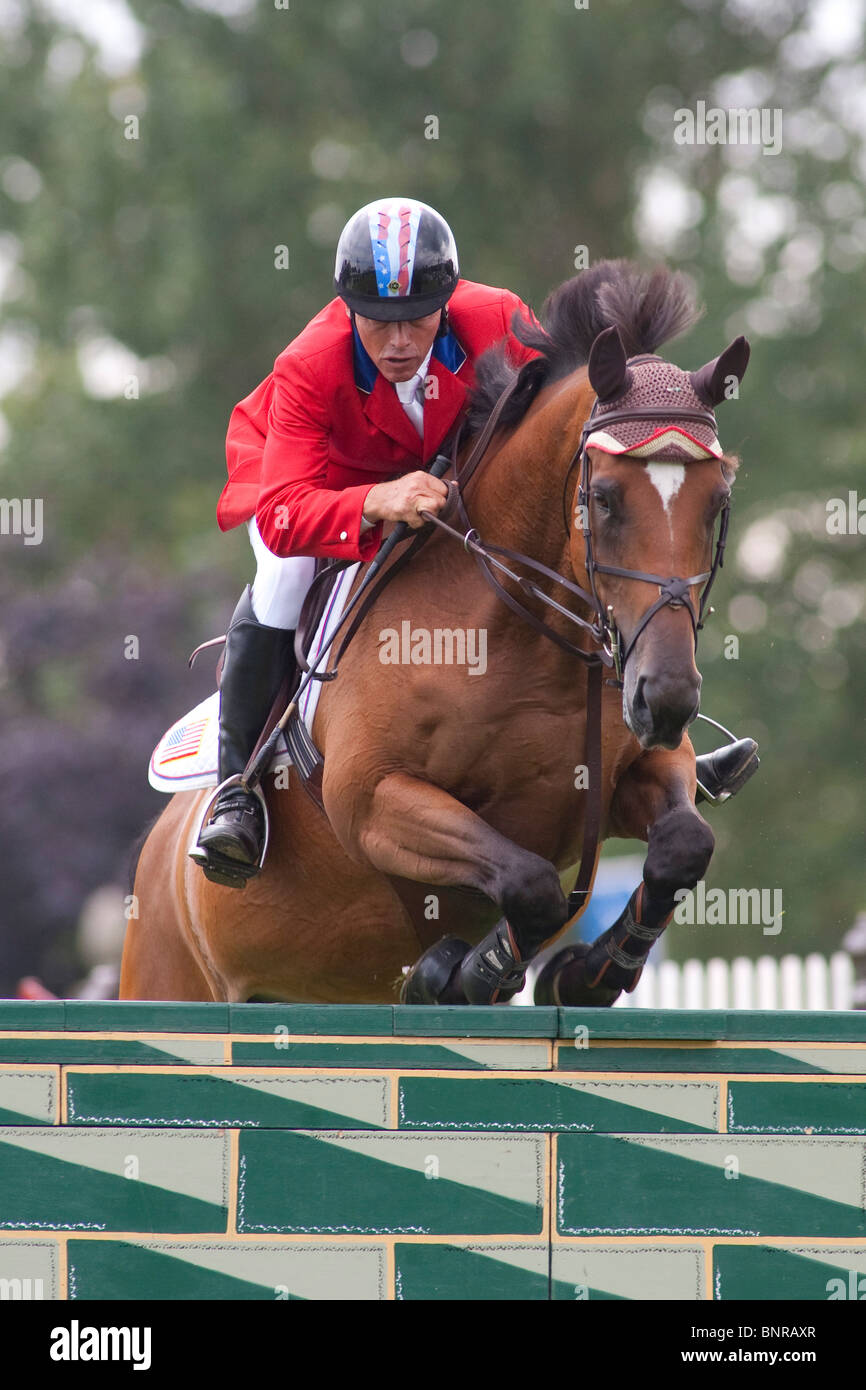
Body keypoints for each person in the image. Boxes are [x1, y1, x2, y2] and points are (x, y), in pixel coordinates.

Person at [196, 197, 540, 883]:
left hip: (437, 478)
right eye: (378, 324)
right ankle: (235, 790)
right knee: (285, 576)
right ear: (349, 309)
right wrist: (375, 501)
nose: (400, 343)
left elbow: (567, 404)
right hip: (308, 483)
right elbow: (284, 515)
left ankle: (638, 739)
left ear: (448, 300)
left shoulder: (499, 317)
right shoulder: (309, 364)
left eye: (416, 319)